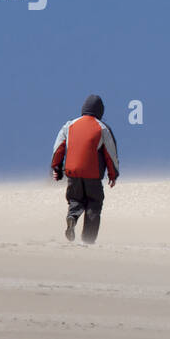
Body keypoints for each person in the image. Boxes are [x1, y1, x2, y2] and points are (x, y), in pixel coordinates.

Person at [50, 95, 119, 243]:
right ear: (100, 111)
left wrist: (56, 167)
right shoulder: (103, 128)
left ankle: (72, 217)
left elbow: (58, 148)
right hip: (93, 175)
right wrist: (113, 174)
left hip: (72, 173)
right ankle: (88, 240)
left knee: (75, 199)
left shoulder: (69, 125)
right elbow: (110, 154)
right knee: (94, 204)